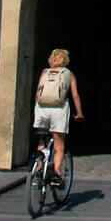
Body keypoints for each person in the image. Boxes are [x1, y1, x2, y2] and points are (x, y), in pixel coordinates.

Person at [33, 48, 83, 185]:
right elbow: (75, 95)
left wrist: (36, 110)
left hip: (42, 110)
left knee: (42, 142)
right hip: (59, 110)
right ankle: (56, 173)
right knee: (59, 145)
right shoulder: (68, 74)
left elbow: (38, 94)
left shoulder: (45, 72)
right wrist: (79, 113)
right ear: (65, 60)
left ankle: (38, 172)